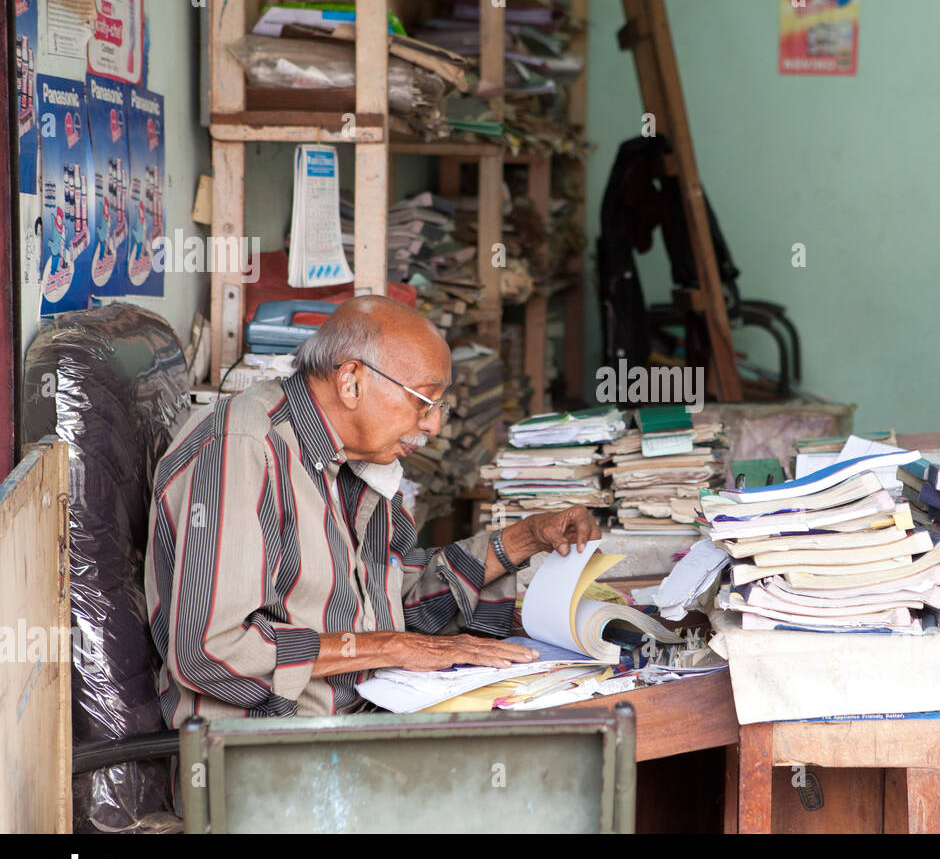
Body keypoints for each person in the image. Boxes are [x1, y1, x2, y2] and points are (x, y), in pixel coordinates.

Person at [144, 295, 601, 723]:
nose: (434, 424)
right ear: (351, 381)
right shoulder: (244, 448)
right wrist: (389, 648)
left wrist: (523, 540)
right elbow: (211, 650)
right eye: (424, 401)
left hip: (363, 716)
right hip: (270, 746)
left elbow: (394, 602)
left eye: (440, 405)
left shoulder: (354, 456)